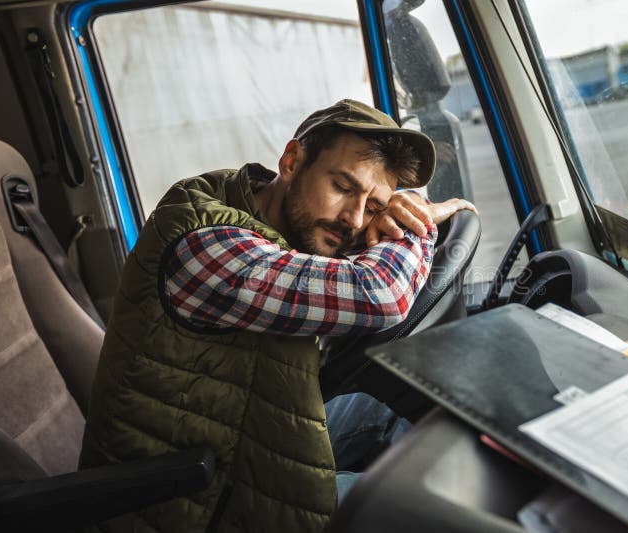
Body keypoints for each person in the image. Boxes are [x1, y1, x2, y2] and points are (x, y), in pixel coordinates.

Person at [79, 99, 476, 533]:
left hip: (238, 439)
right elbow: (381, 295)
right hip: (192, 503)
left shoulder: (274, 218)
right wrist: (416, 228)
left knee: (406, 414)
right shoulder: (205, 247)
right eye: (343, 186)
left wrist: (387, 223)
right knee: (428, 507)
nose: (356, 218)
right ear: (291, 162)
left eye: (377, 205)